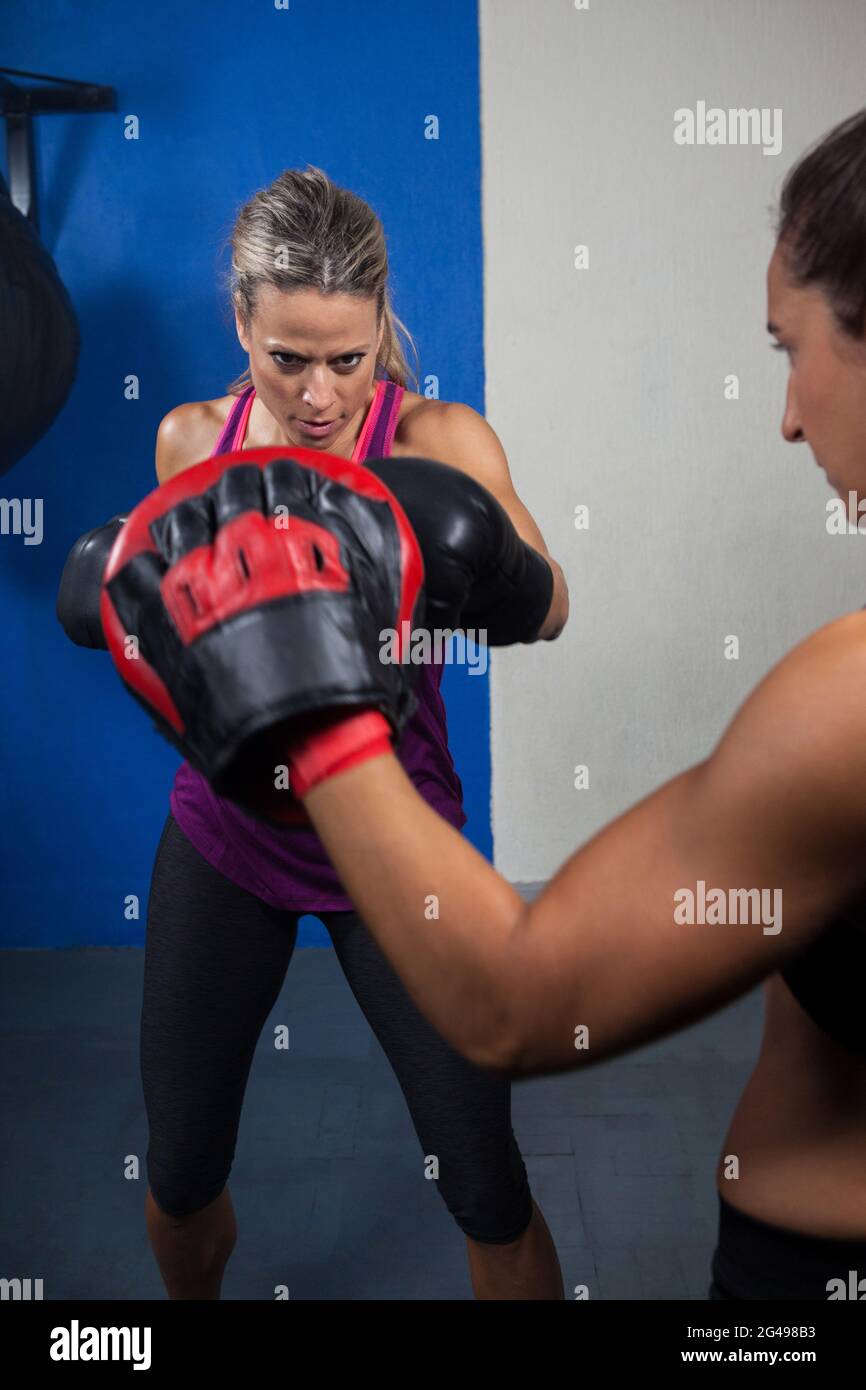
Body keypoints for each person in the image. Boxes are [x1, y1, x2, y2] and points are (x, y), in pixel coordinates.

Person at [139, 166, 570, 1300]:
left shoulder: (435, 437)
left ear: (381, 321)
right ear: (241, 324)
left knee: (484, 1183)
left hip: (395, 841)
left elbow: (554, 606)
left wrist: (478, 560)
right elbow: (179, 672)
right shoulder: (191, 441)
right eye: (287, 357)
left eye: (347, 355)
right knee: (179, 1169)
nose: (320, 392)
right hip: (229, 836)